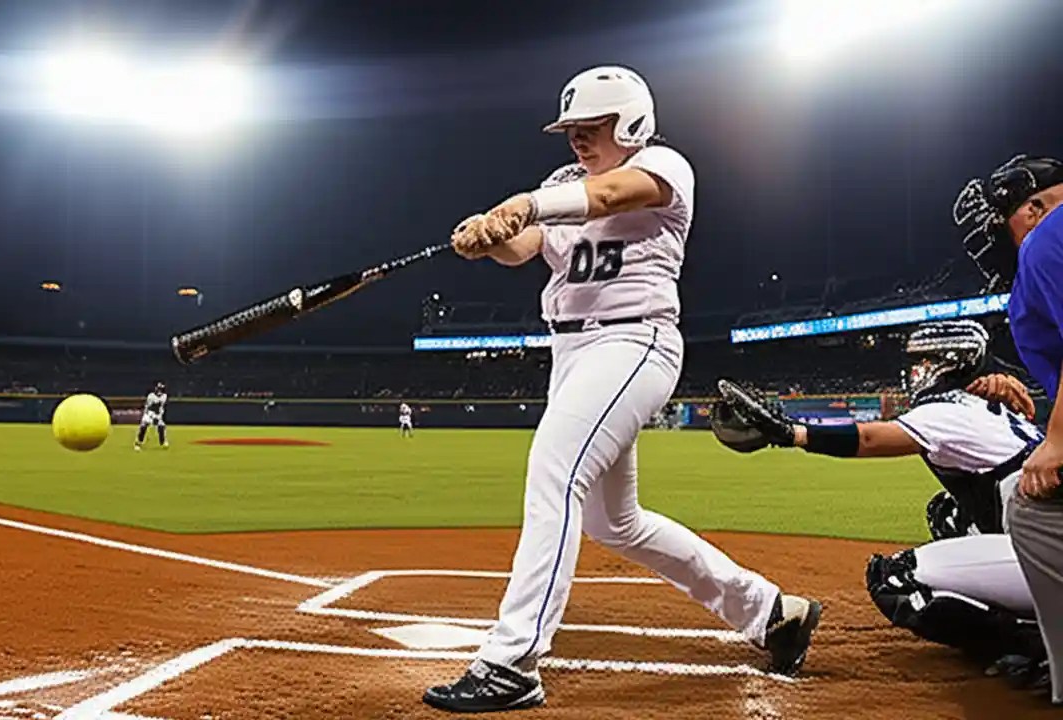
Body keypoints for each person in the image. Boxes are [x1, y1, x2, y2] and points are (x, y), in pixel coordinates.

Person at [423, 65, 821, 714]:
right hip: (572, 352)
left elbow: (609, 197)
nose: (578, 138)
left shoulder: (664, 165)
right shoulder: (559, 185)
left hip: (632, 342)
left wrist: (523, 204)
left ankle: (512, 660)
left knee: (554, 473)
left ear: (631, 121)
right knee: (617, 521)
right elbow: (526, 246)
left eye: (593, 126)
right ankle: (774, 613)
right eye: (572, 129)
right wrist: (489, 235)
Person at [711, 320, 1047, 688]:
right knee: (948, 516)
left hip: (1046, 558)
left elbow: (869, 439)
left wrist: (793, 433)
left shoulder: (947, 410)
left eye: (925, 361)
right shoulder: (989, 406)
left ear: (952, 362)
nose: (914, 371)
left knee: (894, 579)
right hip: (1043, 542)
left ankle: (1036, 646)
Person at [956, 155, 1063, 705]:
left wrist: (1059, 439)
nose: (993, 232)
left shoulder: (1048, 238)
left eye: (1004, 216)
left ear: (1037, 205)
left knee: (1028, 504)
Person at [135, 381, 169, 451]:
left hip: (158, 414)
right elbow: (148, 408)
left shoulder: (164, 396)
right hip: (149, 413)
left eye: (161, 389)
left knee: (161, 426)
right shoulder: (151, 396)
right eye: (158, 389)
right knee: (144, 426)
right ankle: (139, 442)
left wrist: (159, 416)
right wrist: (152, 417)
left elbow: (161, 408)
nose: (159, 391)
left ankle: (162, 442)